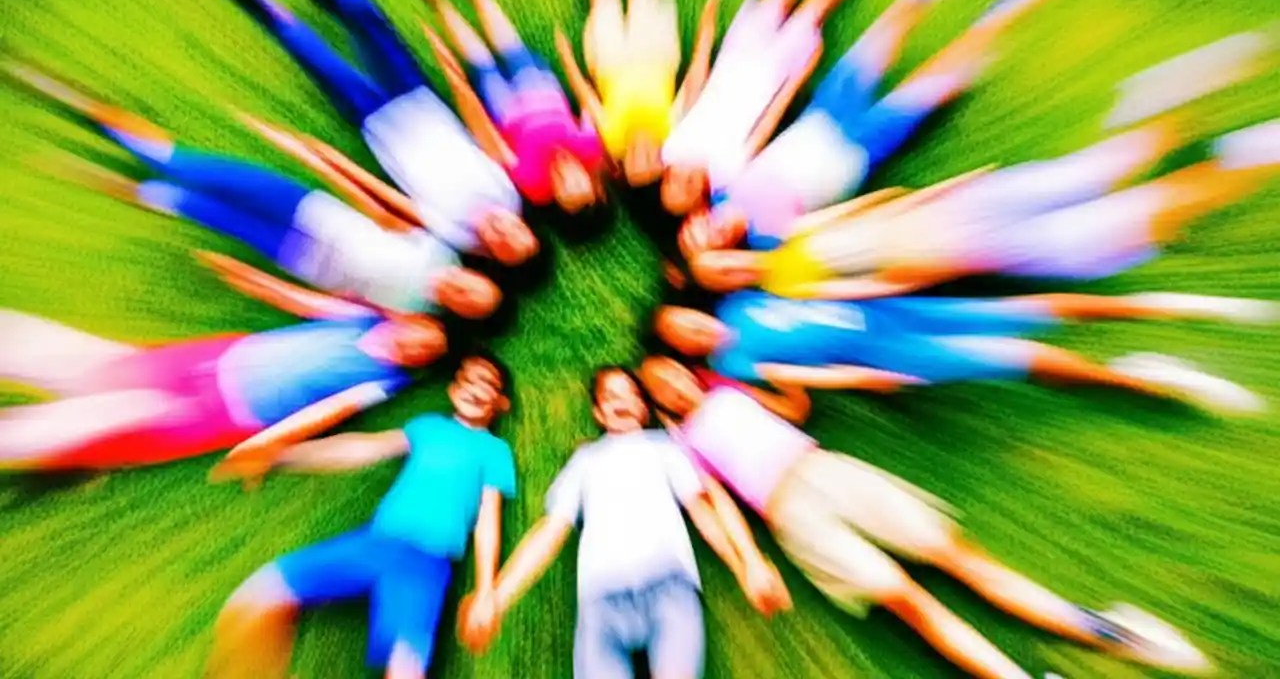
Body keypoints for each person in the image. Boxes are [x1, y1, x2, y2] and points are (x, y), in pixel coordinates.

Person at [636, 356, 1213, 679]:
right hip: (792, 517)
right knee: (910, 603)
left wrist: (787, 377)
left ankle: (1107, 630)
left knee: (958, 557)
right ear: (661, 402)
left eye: (675, 371)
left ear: (691, 372)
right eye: (661, 384)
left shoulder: (734, 389)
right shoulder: (683, 443)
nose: (673, 382)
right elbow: (719, 508)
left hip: (829, 471)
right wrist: (750, 564)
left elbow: (797, 409)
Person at [7, 63, 502, 319]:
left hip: (293, 252)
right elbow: (382, 210)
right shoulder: (439, 250)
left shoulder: (416, 312)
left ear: (459, 310)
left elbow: (343, 308)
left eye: (467, 303)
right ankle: (87, 112)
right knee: (187, 166)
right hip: (307, 209)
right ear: (474, 277)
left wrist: (261, 283)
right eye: (474, 289)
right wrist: (322, 162)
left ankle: (90, 173)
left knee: (183, 205)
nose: (462, 292)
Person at [681, 0, 1084, 256]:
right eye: (707, 245)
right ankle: (1016, 7)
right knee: (945, 74)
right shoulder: (767, 241)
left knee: (889, 30)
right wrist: (889, 203)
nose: (709, 234)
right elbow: (831, 224)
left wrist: (793, 82)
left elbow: (761, 133)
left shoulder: (720, 188)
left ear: (696, 219)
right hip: (863, 147)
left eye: (696, 232)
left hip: (824, 112)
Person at [689, 119, 1280, 298]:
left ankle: (1182, 125)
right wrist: (935, 267)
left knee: (1090, 172)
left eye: (722, 260)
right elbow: (877, 287)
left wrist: (941, 193)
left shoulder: (782, 240)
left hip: (967, 209)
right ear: (731, 288)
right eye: (722, 275)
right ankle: (1242, 160)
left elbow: (862, 210)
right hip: (976, 246)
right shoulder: (793, 285)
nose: (731, 266)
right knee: (1122, 224)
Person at [456, 367, 791, 678]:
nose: (622, 401)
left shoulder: (665, 448)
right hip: (600, 603)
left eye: (631, 393)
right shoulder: (584, 460)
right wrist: (497, 597)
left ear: (643, 407)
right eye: (610, 396)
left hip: (670, 589)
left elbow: (703, 511)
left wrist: (746, 566)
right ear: (598, 413)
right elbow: (551, 531)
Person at [206, 353, 517, 679]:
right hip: (373, 544)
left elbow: (488, 520)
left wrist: (485, 591)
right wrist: (279, 456)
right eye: (467, 379)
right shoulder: (428, 427)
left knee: (405, 670)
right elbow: (362, 448)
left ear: (501, 402)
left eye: (487, 382)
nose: (475, 388)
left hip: (424, 565)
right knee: (255, 594)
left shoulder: (494, 451)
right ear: (454, 390)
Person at [212, 0, 539, 267]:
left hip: (373, 119)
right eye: (516, 230)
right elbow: (483, 134)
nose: (502, 229)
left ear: (489, 251)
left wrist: (335, 165)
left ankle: (261, 5)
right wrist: (456, 79)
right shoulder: (507, 194)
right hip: (414, 93)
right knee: (363, 13)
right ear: (522, 221)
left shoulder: (457, 236)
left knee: (310, 53)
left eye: (502, 243)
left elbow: (396, 203)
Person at [0, 300, 443, 472]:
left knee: (116, 417)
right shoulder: (367, 318)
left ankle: (20, 435)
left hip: (228, 410)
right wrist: (257, 283)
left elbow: (330, 412)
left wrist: (270, 445)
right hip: (218, 358)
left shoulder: (386, 380)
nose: (416, 346)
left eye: (426, 352)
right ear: (410, 320)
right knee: (104, 367)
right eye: (422, 335)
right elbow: (306, 304)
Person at [653, 290, 1273, 413]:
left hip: (897, 311)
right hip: (891, 361)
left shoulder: (739, 305)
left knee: (1039, 307)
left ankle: (1165, 303)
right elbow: (794, 411)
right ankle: (1150, 382)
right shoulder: (729, 369)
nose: (693, 331)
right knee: (1026, 360)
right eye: (682, 336)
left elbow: (814, 288)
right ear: (682, 350)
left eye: (689, 320)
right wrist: (798, 382)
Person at [394, 0, 607, 217]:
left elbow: (494, 146)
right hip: (540, 89)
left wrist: (465, 94)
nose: (564, 177)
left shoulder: (534, 185)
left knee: (480, 58)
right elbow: (586, 105)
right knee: (509, 43)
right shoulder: (589, 148)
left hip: (503, 105)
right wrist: (572, 64)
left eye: (562, 189)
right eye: (576, 181)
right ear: (591, 182)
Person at [660, 0, 872, 216]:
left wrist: (706, 34)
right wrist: (797, 77)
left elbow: (693, 88)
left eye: (673, 182)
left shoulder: (674, 146)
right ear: (700, 198)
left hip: (739, 51)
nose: (682, 180)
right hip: (776, 71)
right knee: (821, 1)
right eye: (687, 190)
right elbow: (768, 123)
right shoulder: (726, 172)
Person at [556, 0, 721, 187]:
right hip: (655, 53)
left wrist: (567, 58)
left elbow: (587, 96)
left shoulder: (613, 139)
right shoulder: (669, 130)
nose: (641, 152)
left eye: (634, 160)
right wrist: (706, 32)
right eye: (649, 159)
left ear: (623, 164)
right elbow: (693, 82)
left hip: (609, 59)